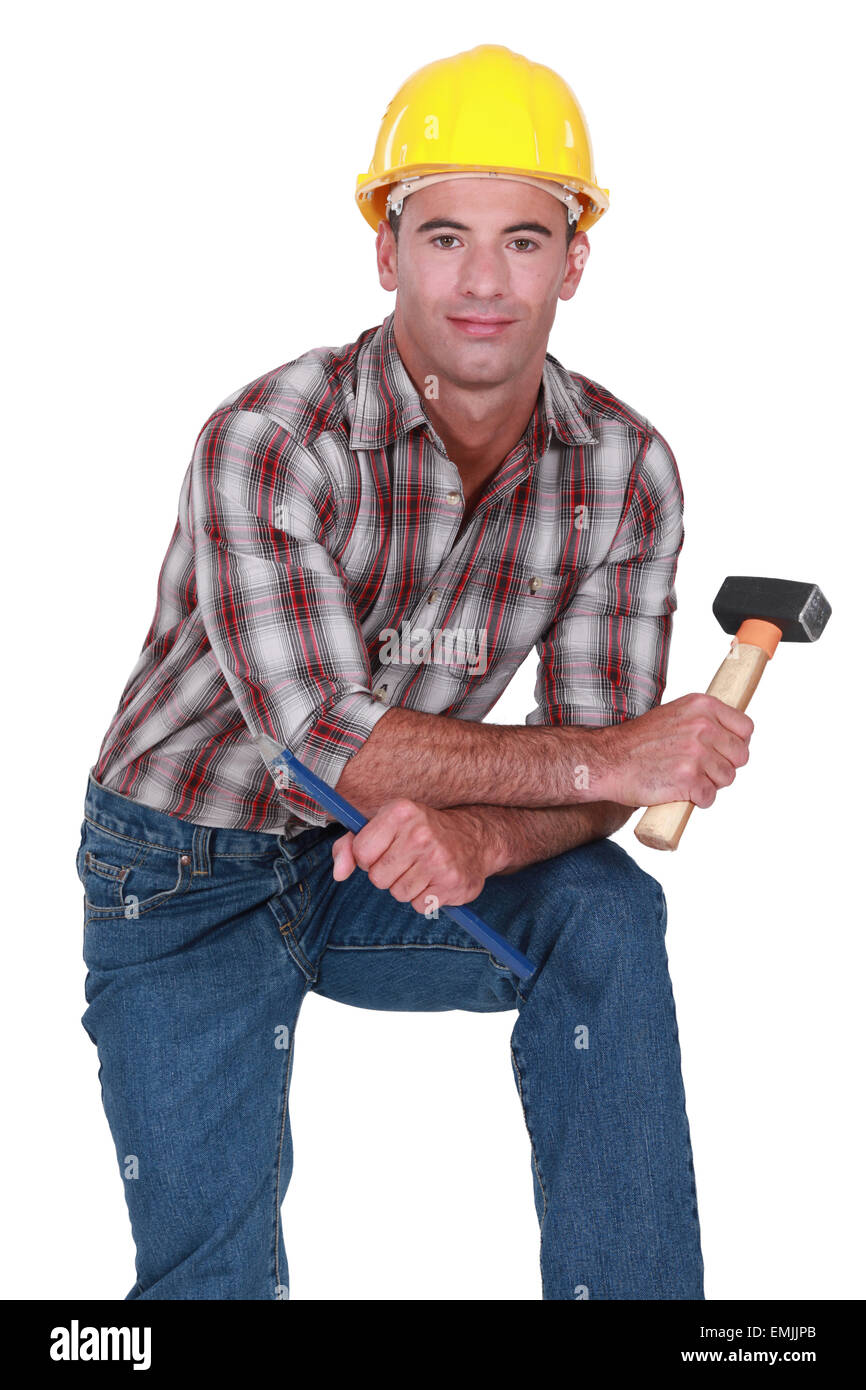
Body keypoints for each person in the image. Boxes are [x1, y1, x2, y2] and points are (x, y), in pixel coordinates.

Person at [75, 43, 752, 1300]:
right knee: (207, 1288)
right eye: (443, 237)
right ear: (385, 253)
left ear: (576, 259)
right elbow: (330, 742)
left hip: (383, 855)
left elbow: (595, 783)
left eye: (524, 240)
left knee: (602, 909)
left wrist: (485, 839)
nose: (483, 280)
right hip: (181, 863)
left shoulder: (623, 467)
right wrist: (610, 756)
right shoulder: (269, 440)